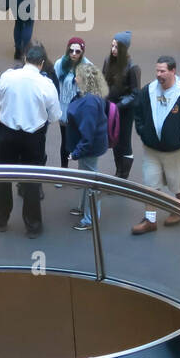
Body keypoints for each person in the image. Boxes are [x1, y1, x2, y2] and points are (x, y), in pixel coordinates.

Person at [0, 44, 61, 237]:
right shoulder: (46, 84)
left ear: (25, 59)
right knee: (32, 180)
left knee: (3, 176)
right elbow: (55, 116)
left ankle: (0, 218)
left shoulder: (8, 76)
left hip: (7, 134)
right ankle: (33, 225)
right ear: (42, 63)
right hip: (34, 138)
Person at [130, 56, 180, 236]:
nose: (159, 75)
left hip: (176, 151)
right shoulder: (149, 90)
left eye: (162, 71)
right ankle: (150, 220)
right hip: (152, 149)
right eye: (157, 71)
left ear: (173, 71)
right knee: (150, 183)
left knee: (178, 182)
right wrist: (143, 133)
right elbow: (138, 112)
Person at [67, 60, 110, 231]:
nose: (75, 78)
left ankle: (90, 219)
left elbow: (88, 134)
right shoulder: (89, 96)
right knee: (86, 179)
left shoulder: (89, 102)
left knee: (91, 183)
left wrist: (76, 153)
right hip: (88, 148)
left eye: (77, 75)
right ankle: (85, 210)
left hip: (88, 149)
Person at [102, 31, 141, 179]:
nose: (113, 50)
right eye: (112, 46)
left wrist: (118, 106)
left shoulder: (133, 67)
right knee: (114, 139)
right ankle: (119, 170)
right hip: (111, 108)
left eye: (117, 47)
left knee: (124, 142)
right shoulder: (108, 60)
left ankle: (123, 174)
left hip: (124, 112)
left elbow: (135, 94)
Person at [54, 36, 87, 169]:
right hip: (64, 109)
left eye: (77, 51)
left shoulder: (87, 66)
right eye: (71, 51)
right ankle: (64, 171)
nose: (73, 54)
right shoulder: (59, 64)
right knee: (65, 142)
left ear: (82, 52)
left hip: (79, 110)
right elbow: (54, 84)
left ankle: (81, 173)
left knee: (80, 141)